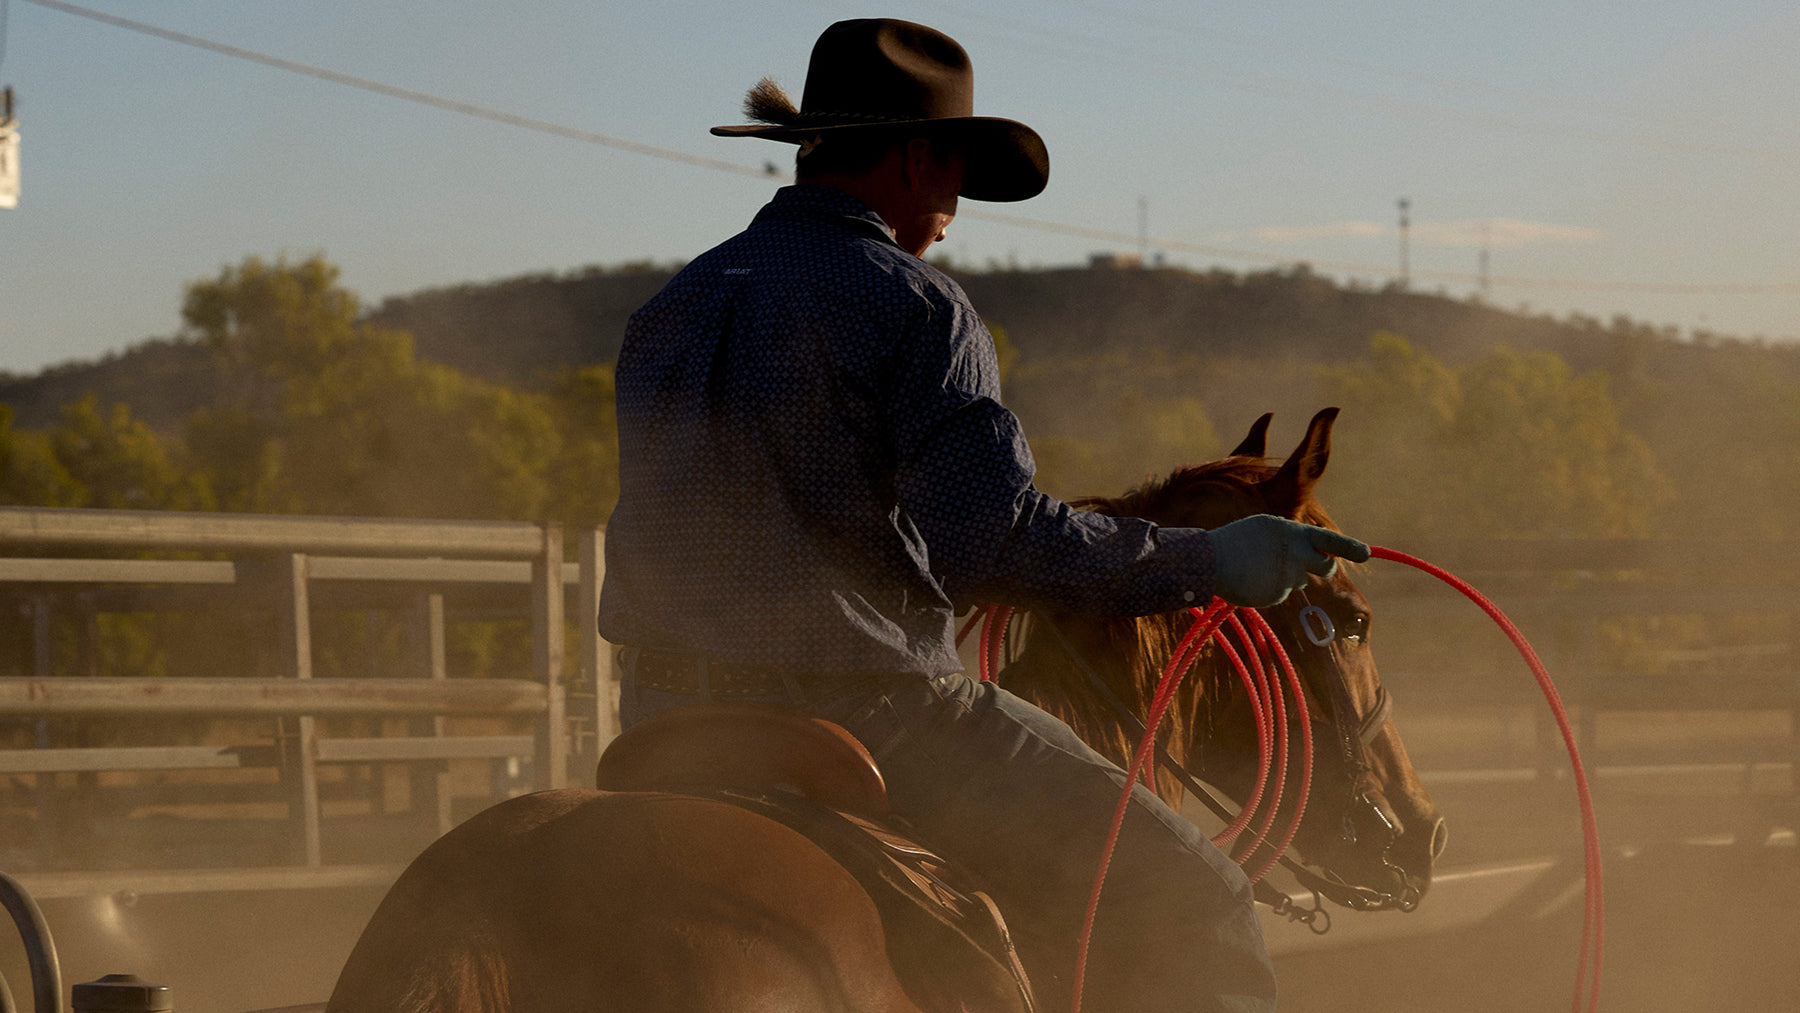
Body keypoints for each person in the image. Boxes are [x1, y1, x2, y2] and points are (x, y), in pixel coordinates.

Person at [599, 18, 1368, 1012]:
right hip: (861, 707)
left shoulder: (671, 304)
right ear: (918, 159)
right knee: (1196, 892)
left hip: (662, 712)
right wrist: (1210, 558)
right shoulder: (915, 306)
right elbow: (991, 542)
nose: (956, 204)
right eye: (956, 171)